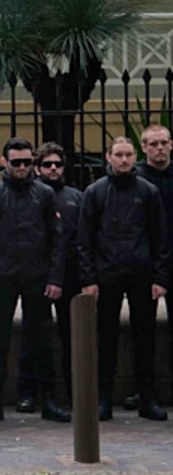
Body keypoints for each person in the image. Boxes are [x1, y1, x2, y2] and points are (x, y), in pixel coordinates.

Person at [0, 137, 69, 424]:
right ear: (5, 162)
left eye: (28, 162)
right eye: (16, 162)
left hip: (37, 277)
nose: (22, 167)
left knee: (42, 341)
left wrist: (55, 278)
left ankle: (49, 401)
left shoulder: (44, 194)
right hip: (3, 278)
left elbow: (57, 240)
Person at [79, 137, 169, 421]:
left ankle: (147, 397)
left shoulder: (149, 191)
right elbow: (84, 239)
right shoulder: (95, 192)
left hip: (142, 275)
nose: (124, 160)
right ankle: (103, 398)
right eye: (118, 154)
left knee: (146, 338)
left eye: (129, 154)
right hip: (106, 276)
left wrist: (160, 277)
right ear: (108, 157)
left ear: (135, 157)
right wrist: (89, 278)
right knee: (105, 339)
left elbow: (161, 238)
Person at [16, 142, 82, 408]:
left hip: (70, 276)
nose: (53, 169)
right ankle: (30, 392)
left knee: (72, 337)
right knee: (33, 337)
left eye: (58, 164)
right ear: (37, 167)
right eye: (47, 164)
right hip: (38, 276)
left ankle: (73, 391)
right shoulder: (29, 195)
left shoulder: (76, 197)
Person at [128, 124, 173, 411]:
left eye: (163, 143)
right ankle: (144, 391)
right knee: (143, 332)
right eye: (153, 144)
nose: (159, 148)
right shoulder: (136, 180)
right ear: (143, 148)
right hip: (146, 265)